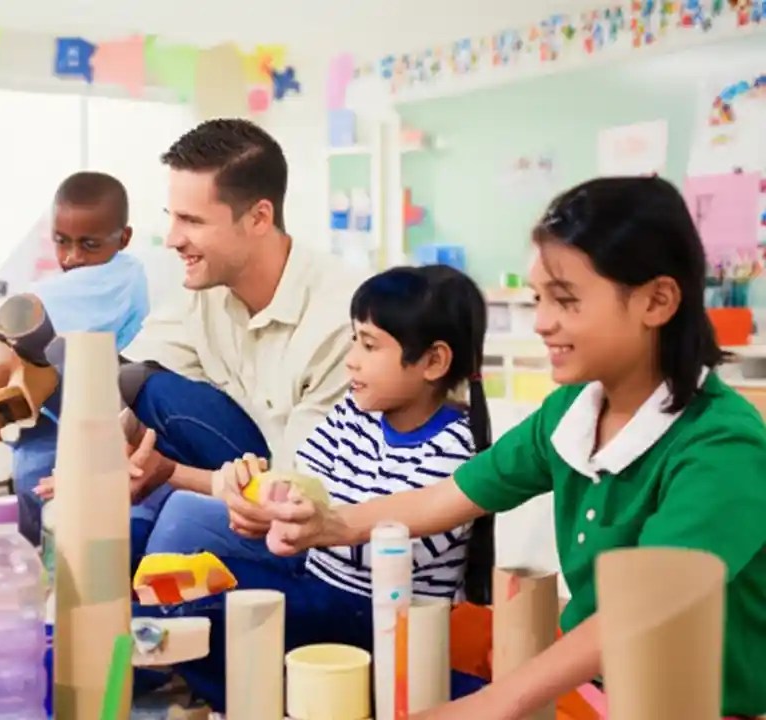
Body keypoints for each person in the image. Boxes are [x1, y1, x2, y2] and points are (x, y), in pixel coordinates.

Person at [267, 177, 766, 719]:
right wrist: (332, 525)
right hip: (596, 687)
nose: (542, 322)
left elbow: (639, 614)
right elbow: (454, 495)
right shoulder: (572, 411)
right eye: (538, 299)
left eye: (566, 301)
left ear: (657, 300)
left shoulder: (722, 446)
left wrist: (489, 706)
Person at [137, 265, 492, 709]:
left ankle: (268, 697)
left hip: (379, 620)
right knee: (177, 581)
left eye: (369, 345)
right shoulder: (357, 411)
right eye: (353, 340)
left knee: (203, 612)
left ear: (433, 362)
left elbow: (380, 548)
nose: (351, 360)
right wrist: (261, 498)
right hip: (316, 584)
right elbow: (306, 478)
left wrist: (292, 520)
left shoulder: (451, 447)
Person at [121, 118, 361, 562]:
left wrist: (171, 474)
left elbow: (297, 494)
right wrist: (109, 447)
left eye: (191, 220)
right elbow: (128, 377)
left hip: (310, 516)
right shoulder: (205, 291)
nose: (173, 239)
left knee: (177, 526)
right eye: (172, 218)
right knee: (141, 391)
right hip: (247, 470)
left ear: (258, 218)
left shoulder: (338, 318)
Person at [10, 171, 150, 542]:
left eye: (89, 244)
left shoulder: (121, 274)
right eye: (62, 241)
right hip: (58, 417)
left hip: (102, 423)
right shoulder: (81, 279)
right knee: (34, 495)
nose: (72, 257)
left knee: (65, 520)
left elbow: (24, 310)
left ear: (124, 238)